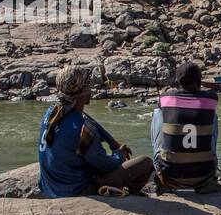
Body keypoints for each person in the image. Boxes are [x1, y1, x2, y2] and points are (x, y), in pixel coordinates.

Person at [38, 66, 153, 197]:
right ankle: (132, 194)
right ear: (84, 91)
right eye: (89, 85)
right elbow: (107, 165)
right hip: (77, 191)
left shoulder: (52, 112)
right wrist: (119, 154)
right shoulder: (83, 131)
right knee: (145, 162)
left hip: (51, 187)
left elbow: (83, 117)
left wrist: (111, 141)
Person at [150, 61, 221, 194]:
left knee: (158, 113)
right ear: (199, 81)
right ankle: (210, 178)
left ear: (178, 82)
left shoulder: (165, 98)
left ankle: (161, 180)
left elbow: (163, 105)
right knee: (213, 117)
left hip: (170, 177)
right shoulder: (212, 99)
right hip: (204, 176)